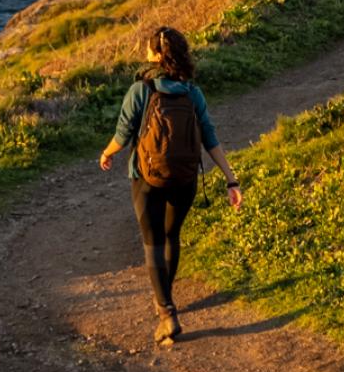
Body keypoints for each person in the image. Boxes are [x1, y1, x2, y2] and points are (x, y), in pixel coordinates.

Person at [100, 25, 241, 345]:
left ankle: (167, 314)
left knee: (152, 242)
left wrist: (106, 154)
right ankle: (168, 294)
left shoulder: (141, 89)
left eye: (148, 50)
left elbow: (123, 134)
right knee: (171, 235)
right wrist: (231, 180)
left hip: (146, 177)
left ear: (156, 55)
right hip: (186, 177)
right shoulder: (192, 93)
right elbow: (210, 138)